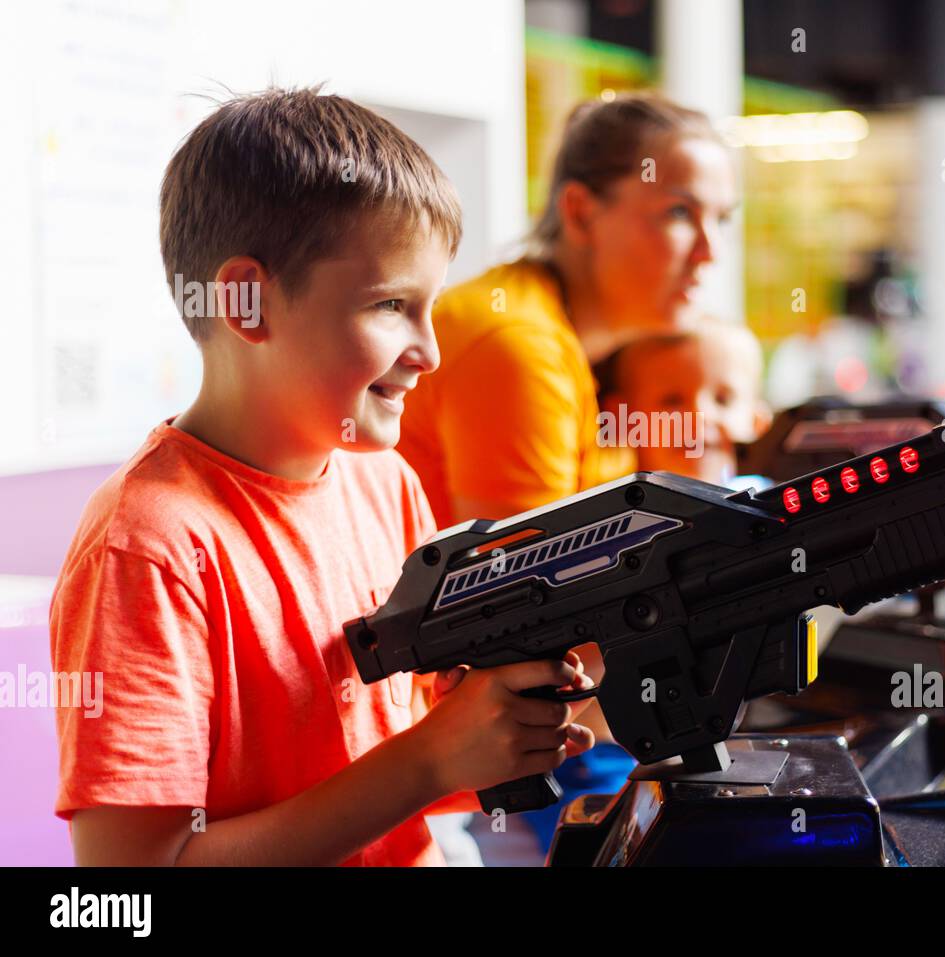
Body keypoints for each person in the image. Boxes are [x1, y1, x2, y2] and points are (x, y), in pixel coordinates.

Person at [48, 87, 594, 866]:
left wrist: (499, 731)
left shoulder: (387, 482)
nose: (429, 352)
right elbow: (132, 880)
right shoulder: (148, 545)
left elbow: (397, 777)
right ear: (246, 301)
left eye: (430, 306)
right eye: (391, 305)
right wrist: (434, 757)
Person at [396, 92, 738, 526]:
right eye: (679, 212)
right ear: (579, 214)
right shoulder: (519, 345)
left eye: (722, 219)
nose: (711, 252)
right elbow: (520, 585)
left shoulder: (608, 345)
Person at [593, 319, 771, 485]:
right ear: (621, 421)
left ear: (758, 422)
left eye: (722, 400)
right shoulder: (604, 510)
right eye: (672, 401)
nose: (700, 415)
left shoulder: (776, 504)